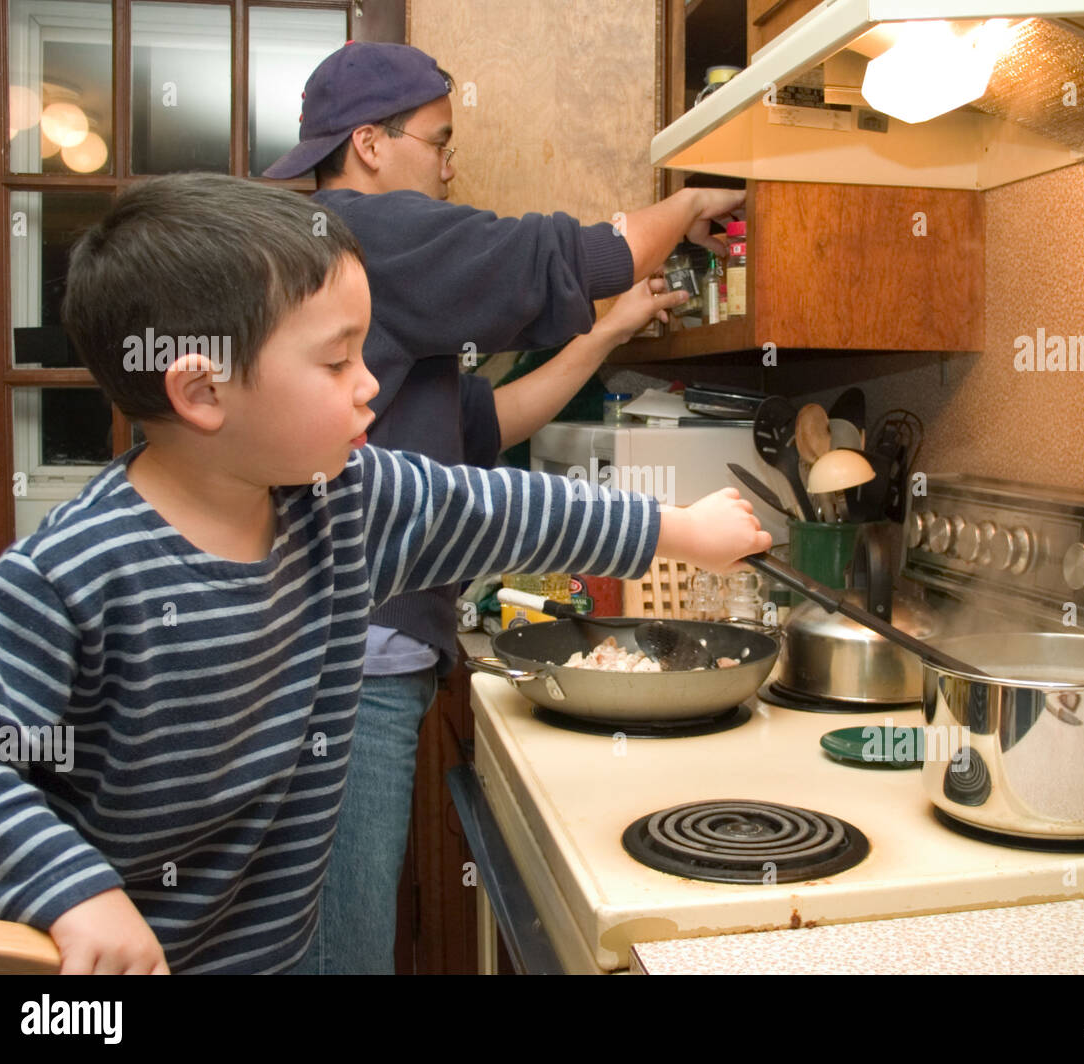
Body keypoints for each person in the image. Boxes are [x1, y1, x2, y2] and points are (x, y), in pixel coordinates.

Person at [0, 173, 769, 974]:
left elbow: (501, 508)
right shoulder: (72, 575)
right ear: (202, 390)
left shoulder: (341, 500)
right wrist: (72, 890)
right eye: (336, 360)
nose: (371, 385)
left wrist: (680, 531)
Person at [262, 41, 746, 973]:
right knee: (344, 952)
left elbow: (482, 423)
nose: (450, 164)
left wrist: (606, 333)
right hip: (350, 665)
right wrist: (688, 202)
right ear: (369, 144)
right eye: (440, 140)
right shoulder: (374, 230)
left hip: (345, 651)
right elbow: (574, 254)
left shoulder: (338, 251)